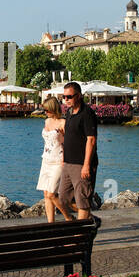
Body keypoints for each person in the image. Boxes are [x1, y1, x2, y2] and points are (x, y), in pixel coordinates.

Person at [58, 82, 99, 220]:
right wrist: (64, 159)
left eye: (69, 96)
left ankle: (79, 237)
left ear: (79, 96)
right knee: (63, 198)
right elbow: (68, 137)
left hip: (82, 164)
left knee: (82, 201)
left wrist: (87, 165)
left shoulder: (87, 113)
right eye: (64, 97)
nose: (66, 100)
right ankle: (88, 219)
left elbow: (91, 140)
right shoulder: (69, 113)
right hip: (68, 163)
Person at [36, 96, 74, 222]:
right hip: (46, 160)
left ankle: (68, 217)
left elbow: (68, 143)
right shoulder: (47, 121)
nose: (45, 112)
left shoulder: (63, 123)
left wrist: (66, 160)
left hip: (58, 160)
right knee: (46, 195)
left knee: (52, 194)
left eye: (47, 110)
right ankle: (50, 224)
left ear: (53, 109)